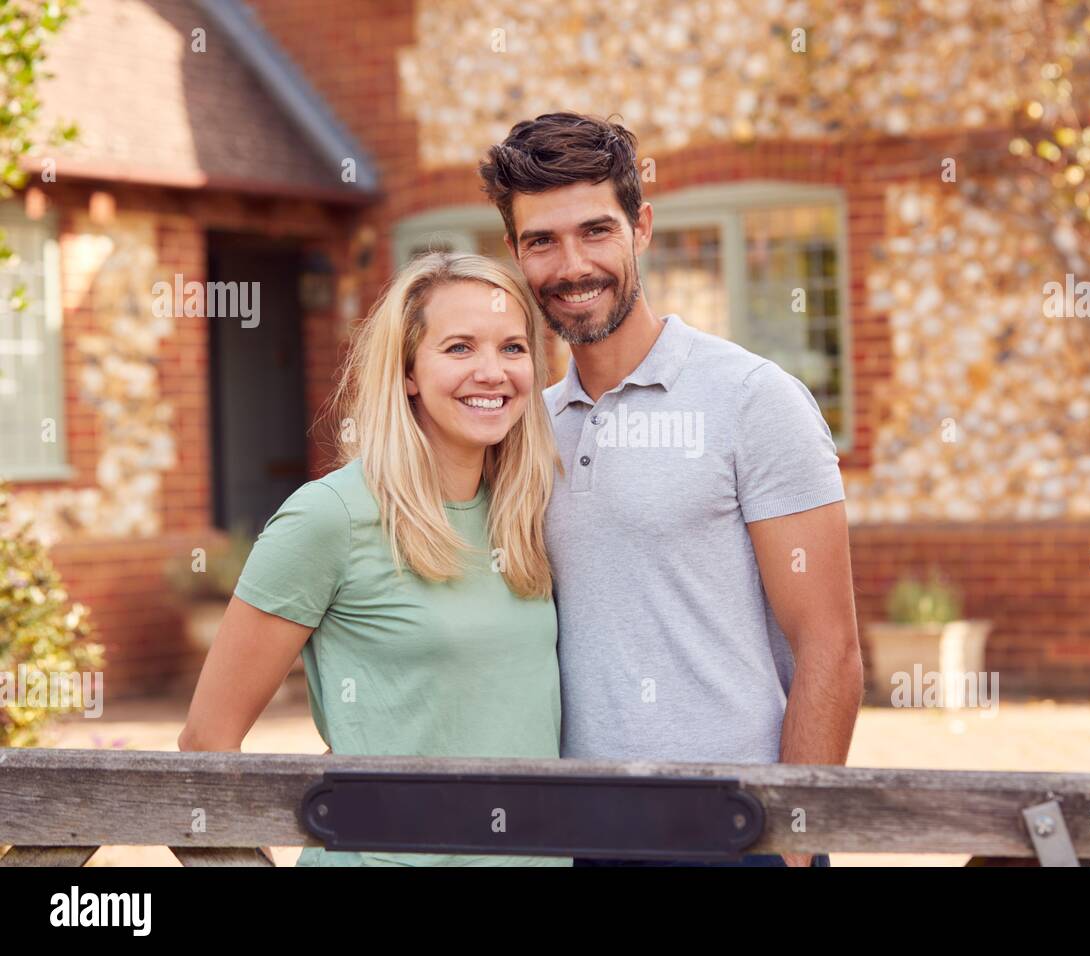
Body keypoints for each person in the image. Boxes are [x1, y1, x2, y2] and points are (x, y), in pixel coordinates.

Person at [480, 112, 864, 867]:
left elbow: (832, 646)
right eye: (541, 241)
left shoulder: (753, 399)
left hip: (732, 835)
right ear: (515, 254)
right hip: (571, 837)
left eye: (595, 231)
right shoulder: (524, 428)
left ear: (641, 228)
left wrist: (786, 843)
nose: (571, 265)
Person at [178, 251, 569, 867]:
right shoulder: (329, 517)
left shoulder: (526, 511)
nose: (492, 371)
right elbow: (206, 743)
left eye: (513, 348)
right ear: (408, 371)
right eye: (460, 348)